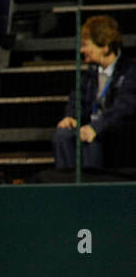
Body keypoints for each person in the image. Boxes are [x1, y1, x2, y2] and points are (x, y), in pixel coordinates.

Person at [54, 15, 136, 170]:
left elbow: (123, 108)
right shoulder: (90, 74)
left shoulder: (129, 72)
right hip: (89, 127)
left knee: (92, 139)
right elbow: (77, 98)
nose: (82, 50)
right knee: (62, 135)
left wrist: (96, 127)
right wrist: (71, 116)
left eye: (86, 45)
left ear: (104, 47)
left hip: (113, 131)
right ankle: (65, 188)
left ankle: (91, 189)